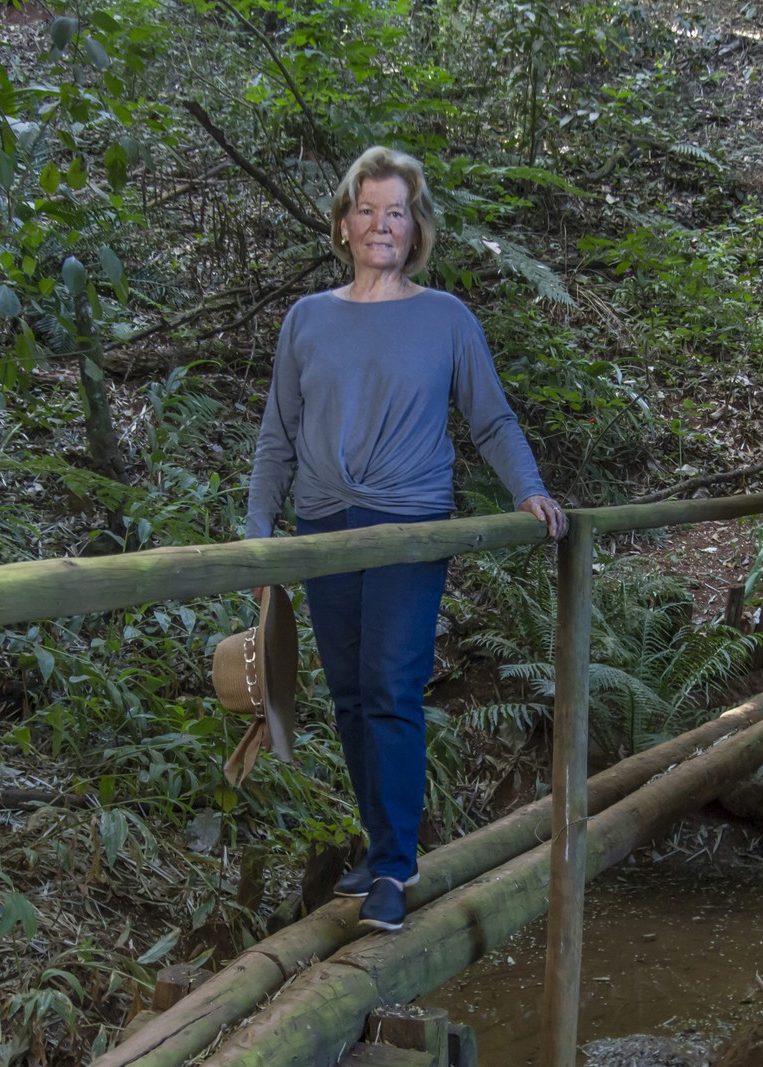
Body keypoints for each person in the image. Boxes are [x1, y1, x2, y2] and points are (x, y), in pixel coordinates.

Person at [244, 145, 567, 931]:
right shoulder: (307, 319)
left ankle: (395, 867)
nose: (380, 224)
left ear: (416, 227)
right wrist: (257, 536)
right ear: (343, 224)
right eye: (367, 209)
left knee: (391, 686)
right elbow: (277, 436)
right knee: (350, 694)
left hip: (410, 526)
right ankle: (381, 841)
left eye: (396, 211)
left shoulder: (446, 318)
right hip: (322, 530)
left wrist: (528, 487)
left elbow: (488, 417)